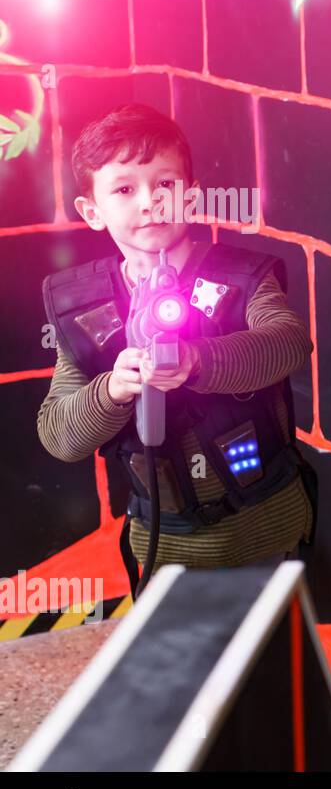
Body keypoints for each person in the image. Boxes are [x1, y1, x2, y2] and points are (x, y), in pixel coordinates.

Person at [38, 104, 316, 583]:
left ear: (191, 195)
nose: (150, 201)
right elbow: (59, 436)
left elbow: (289, 342)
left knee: (278, 655)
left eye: (165, 183)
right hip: (164, 548)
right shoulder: (83, 309)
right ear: (91, 211)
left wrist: (197, 360)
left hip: (268, 529)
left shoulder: (241, 278)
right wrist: (115, 388)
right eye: (124, 189)